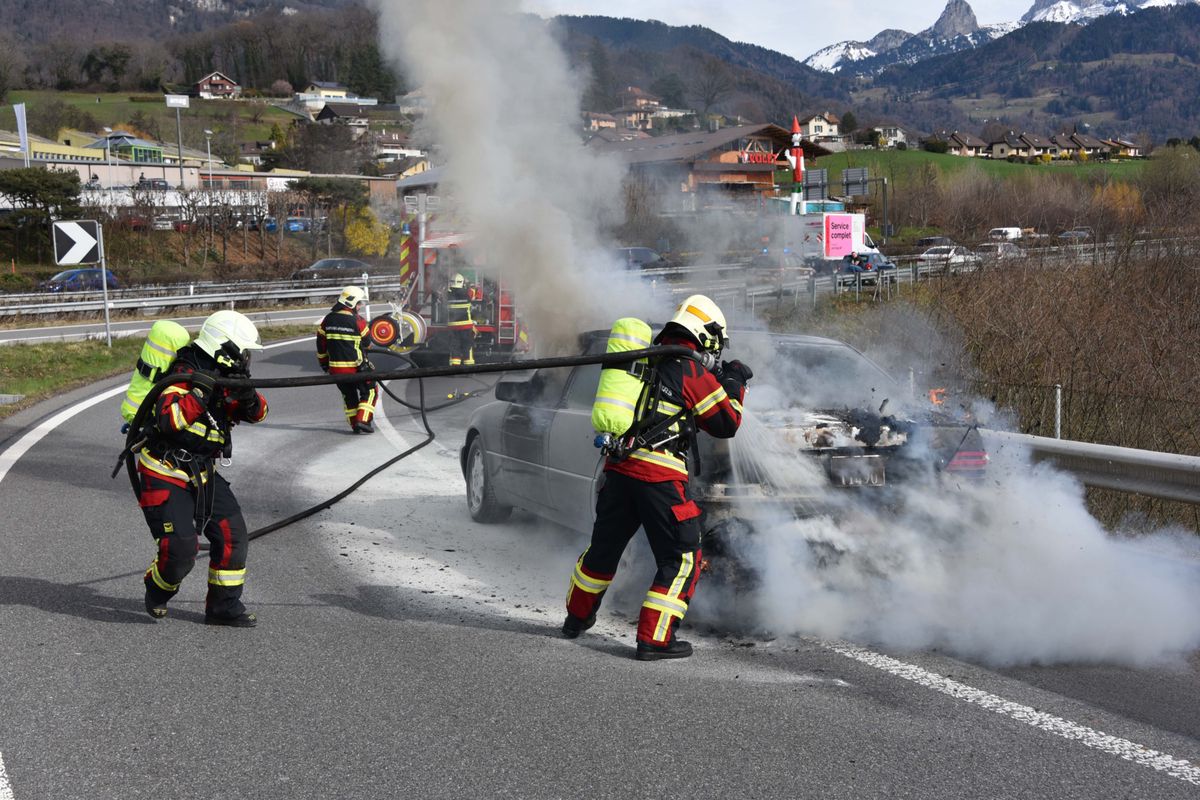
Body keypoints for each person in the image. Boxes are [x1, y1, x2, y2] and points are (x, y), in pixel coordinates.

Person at [563, 295, 751, 661]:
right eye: (715, 342)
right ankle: (655, 639)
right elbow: (726, 423)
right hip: (660, 477)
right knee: (682, 559)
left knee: (603, 551)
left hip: (618, 472)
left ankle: (575, 619)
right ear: (705, 335)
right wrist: (734, 381)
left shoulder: (642, 359)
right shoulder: (688, 370)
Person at [137, 310, 267, 627]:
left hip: (203, 471)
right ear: (225, 346)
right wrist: (199, 391)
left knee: (233, 535)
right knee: (181, 549)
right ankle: (157, 588)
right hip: (165, 469)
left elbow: (260, 414)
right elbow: (170, 421)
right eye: (244, 350)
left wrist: (248, 396)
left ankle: (223, 608)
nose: (247, 358)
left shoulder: (226, 372)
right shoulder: (185, 370)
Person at [317, 285, 378, 434]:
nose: (360, 306)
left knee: (349, 396)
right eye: (359, 303)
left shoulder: (327, 320)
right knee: (370, 392)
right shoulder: (358, 321)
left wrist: (325, 366)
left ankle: (354, 425)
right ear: (351, 303)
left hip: (336, 370)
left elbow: (321, 346)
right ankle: (362, 421)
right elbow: (367, 343)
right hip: (356, 368)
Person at [446, 273, 475, 366]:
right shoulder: (468, 293)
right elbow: (475, 293)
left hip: (453, 326)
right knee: (467, 347)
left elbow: (440, 295)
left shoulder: (447, 294)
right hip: (466, 326)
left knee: (455, 348)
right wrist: (468, 284)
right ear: (462, 283)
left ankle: (455, 368)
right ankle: (468, 368)